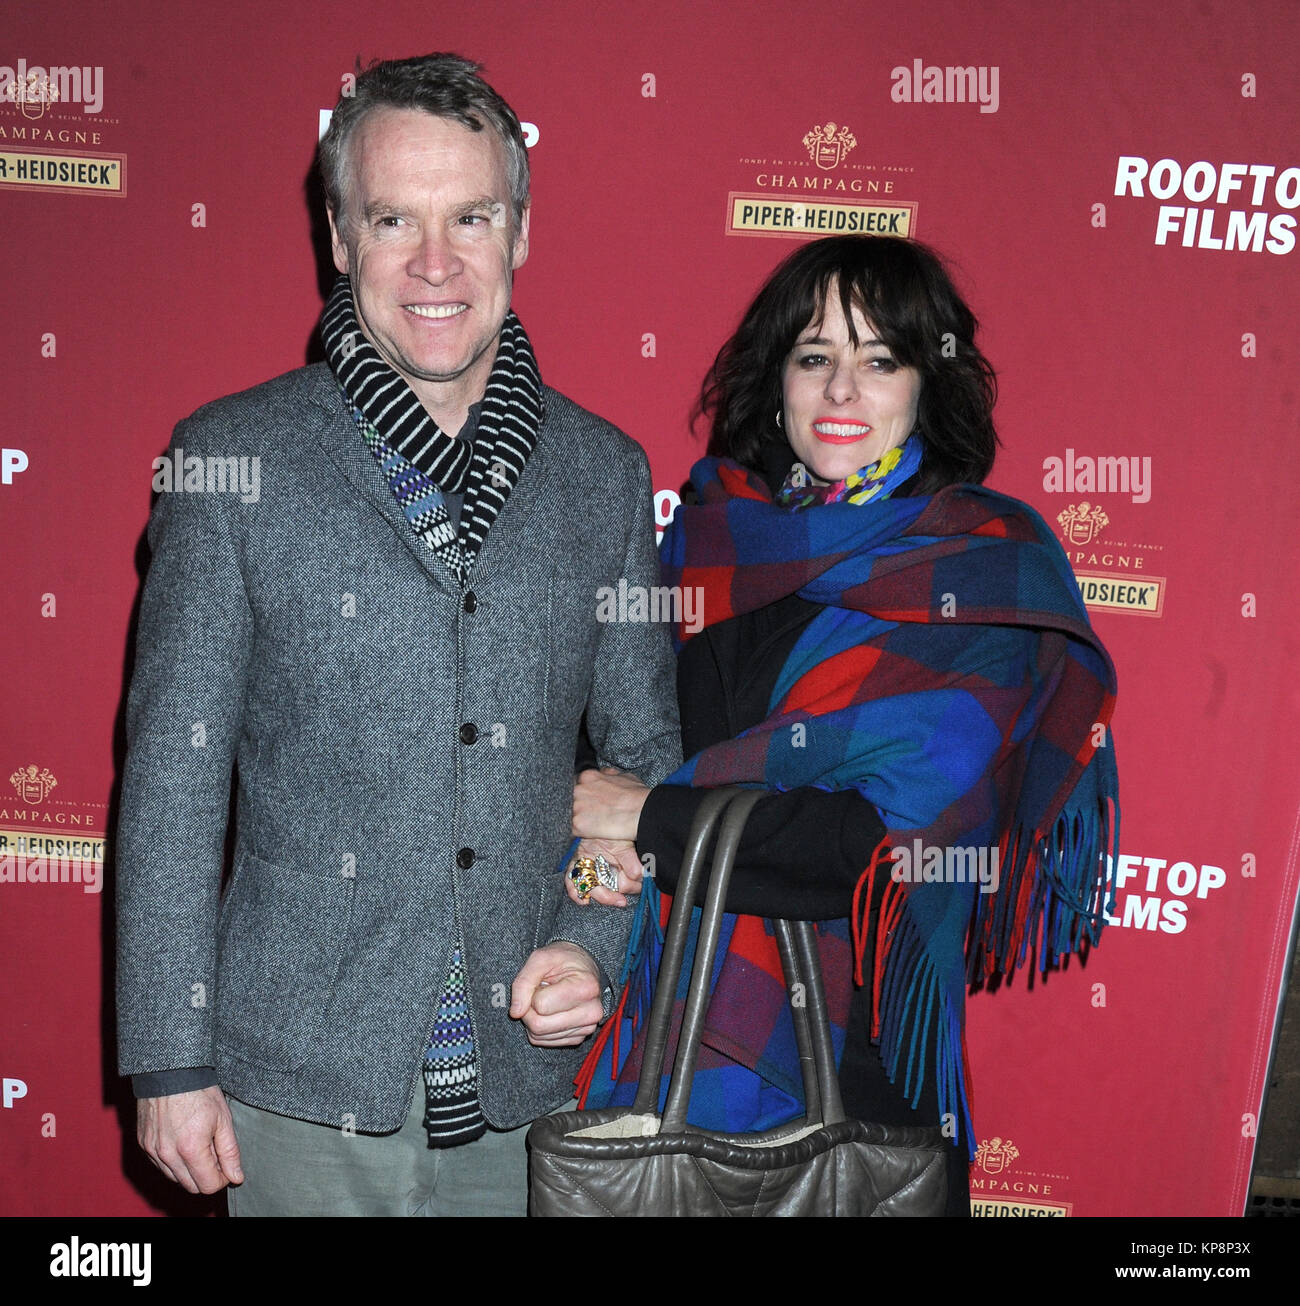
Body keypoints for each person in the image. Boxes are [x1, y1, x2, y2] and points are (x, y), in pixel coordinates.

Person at [115, 52, 680, 1217]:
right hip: (293, 1086)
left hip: (532, 1084)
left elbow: (638, 765)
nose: (436, 264)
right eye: (392, 219)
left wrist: (587, 938)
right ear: (338, 234)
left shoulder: (605, 477)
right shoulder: (232, 463)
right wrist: (170, 1061)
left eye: (470, 216)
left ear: (519, 231)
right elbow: (173, 783)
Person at [565, 234, 1119, 1216]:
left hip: (856, 1070)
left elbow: (874, 850)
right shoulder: (698, 543)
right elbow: (600, 773)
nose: (841, 390)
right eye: (814, 355)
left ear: (924, 385)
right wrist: (581, 912)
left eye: (880, 360)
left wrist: (650, 818)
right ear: (775, 376)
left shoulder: (983, 567)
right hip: (667, 1039)